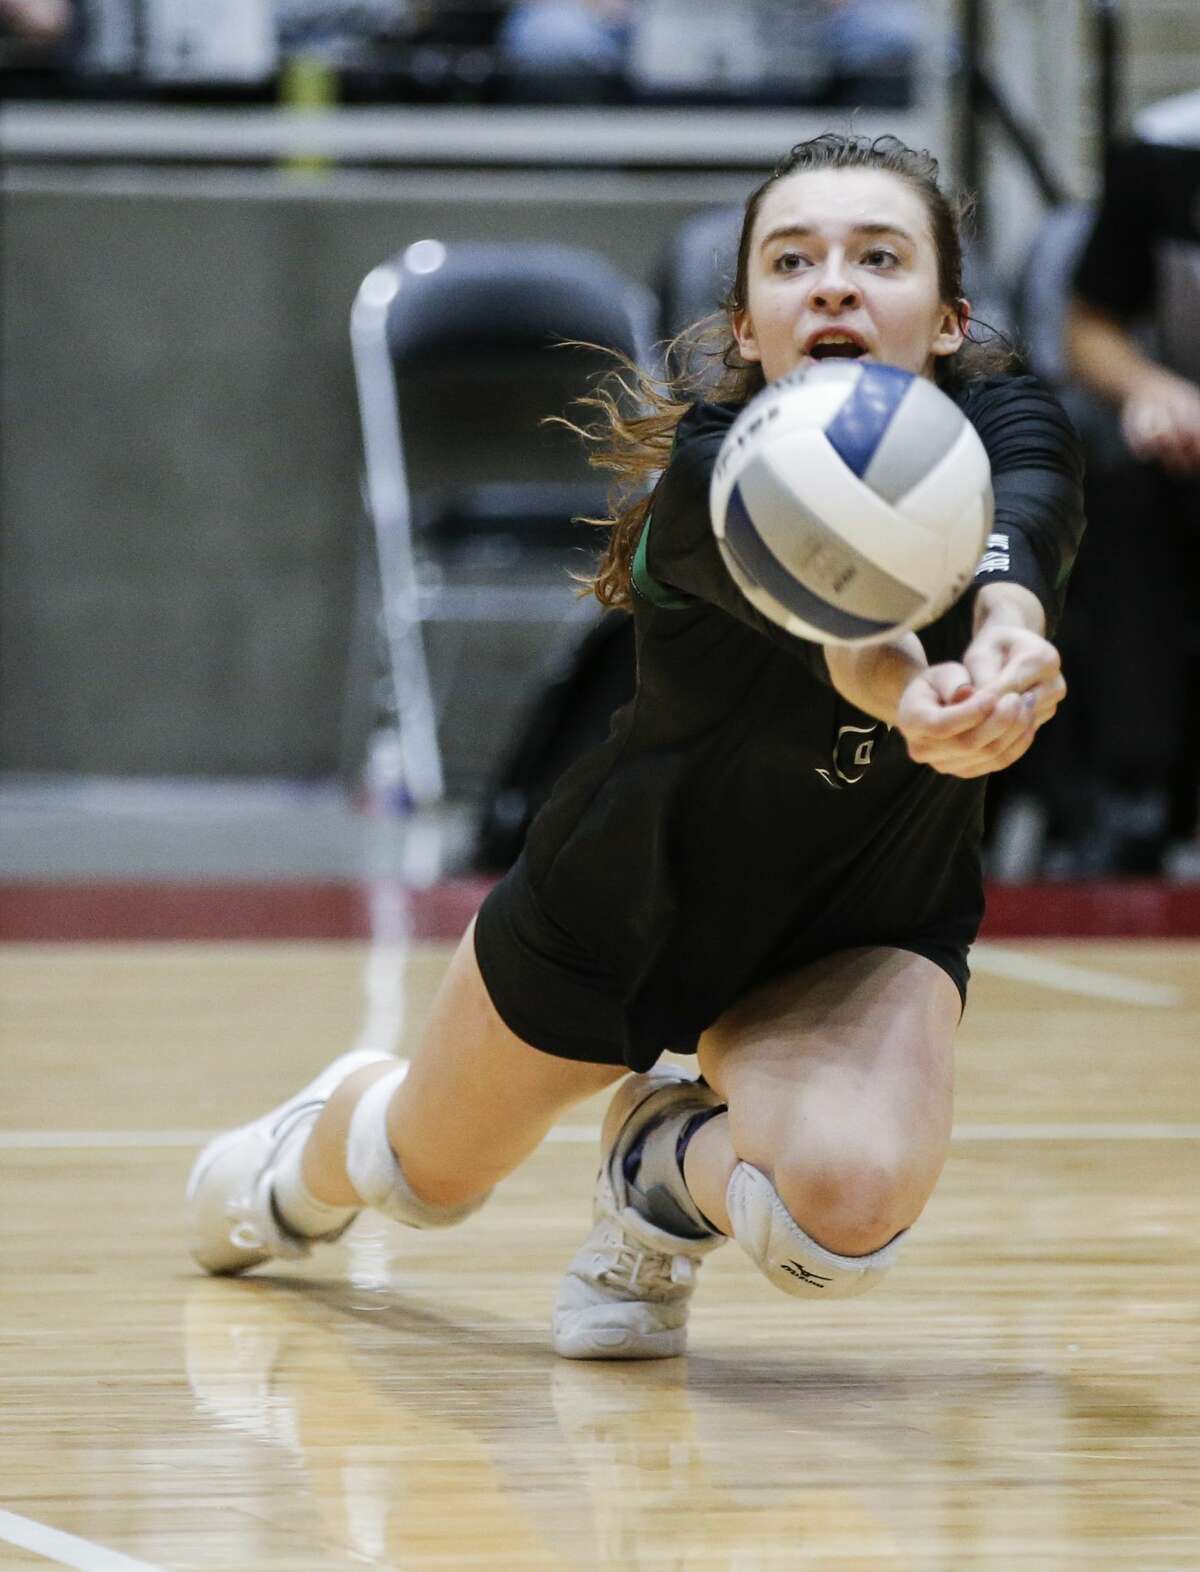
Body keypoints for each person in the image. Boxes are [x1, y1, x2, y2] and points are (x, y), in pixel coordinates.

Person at [187, 132, 1084, 1361]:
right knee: (424, 1181)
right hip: (627, 900)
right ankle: (318, 1142)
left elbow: (1016, 547)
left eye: (879, 257)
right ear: (749, 324)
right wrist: (923, 703)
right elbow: (848, 642)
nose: (833, 283)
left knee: (841, 1222)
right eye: (792, 260)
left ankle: (654, 1177)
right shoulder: (714, 478)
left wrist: (1011, 652)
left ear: (945, 319)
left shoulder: (1012, 419)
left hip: (863, 912)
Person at [1062, 89, 1200, 873]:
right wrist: (1150, 389)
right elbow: (1088, 330)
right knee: (1119, 485)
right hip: (1188, 442)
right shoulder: (1163, 147)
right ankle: (1135, 796)